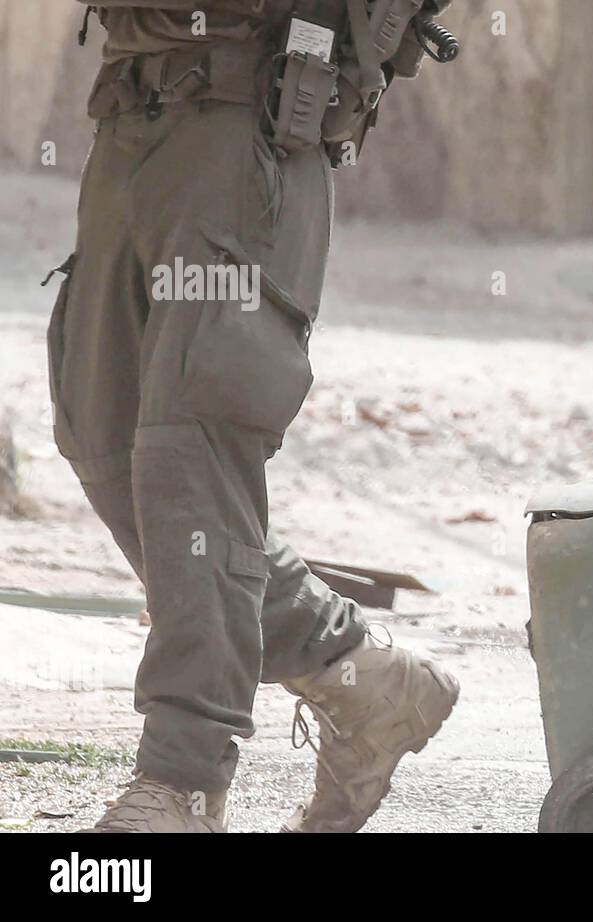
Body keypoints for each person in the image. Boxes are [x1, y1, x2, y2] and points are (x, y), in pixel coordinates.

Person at [47, 0, 458, 832]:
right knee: (102, 439)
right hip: (132, 107)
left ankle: (183, 782)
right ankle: (358, 673)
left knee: (189, 447)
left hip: (246, 122)